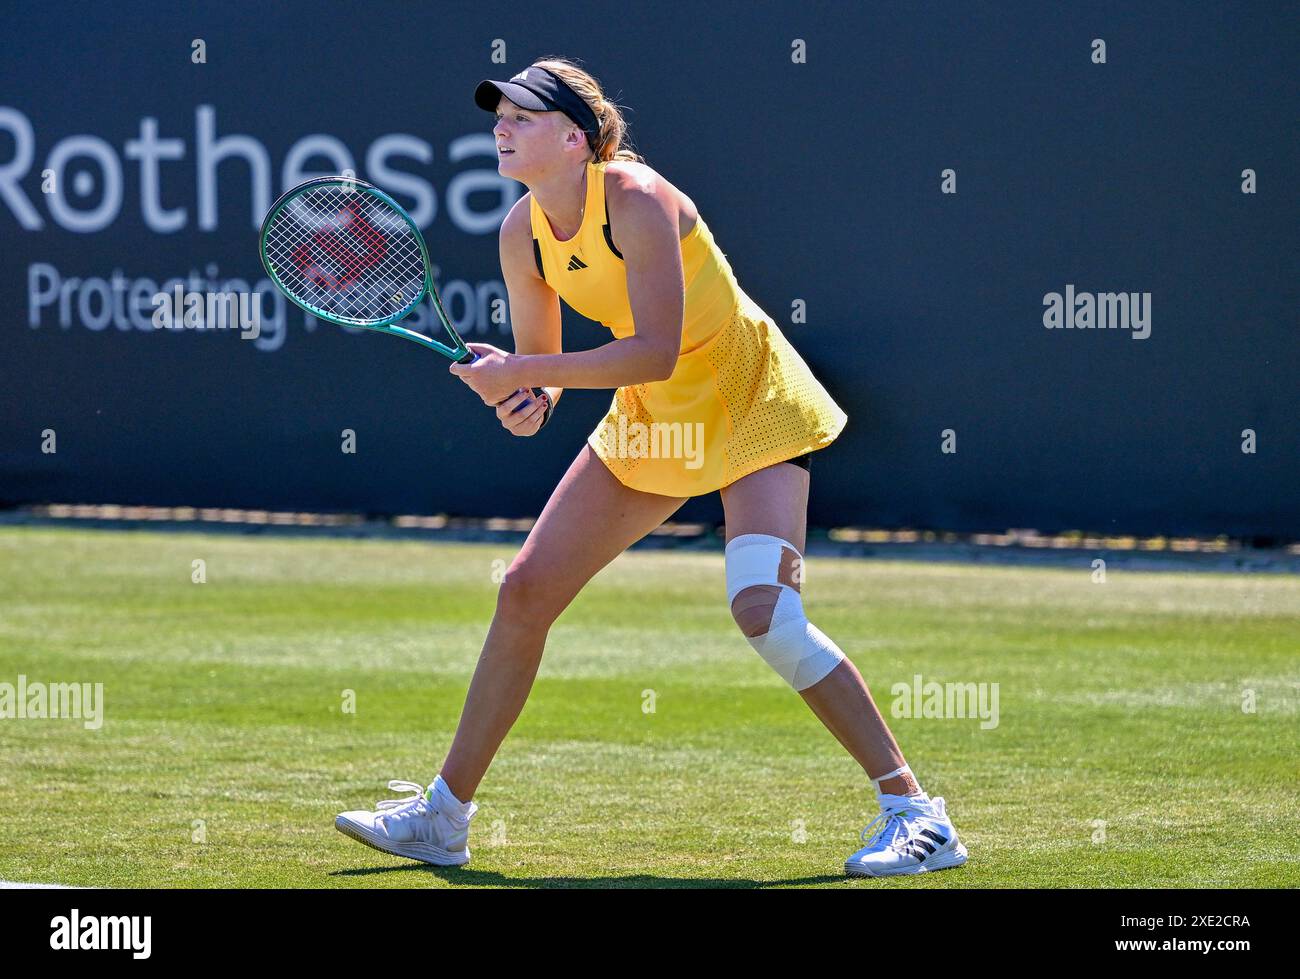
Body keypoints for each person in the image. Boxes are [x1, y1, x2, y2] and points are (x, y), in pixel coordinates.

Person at [335, 57, 967, 878]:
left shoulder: (637, 199)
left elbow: (654, 349)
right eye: (500, 115)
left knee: (763, 610)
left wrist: (529, 375)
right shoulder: (519, 231)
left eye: (522, 115)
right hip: (653, 420)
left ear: (577, 138)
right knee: (525, 588)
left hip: (748, 398)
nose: (502, 125)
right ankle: (443, 818)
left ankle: (916, 812)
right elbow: (547, 370)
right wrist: (523, 397)